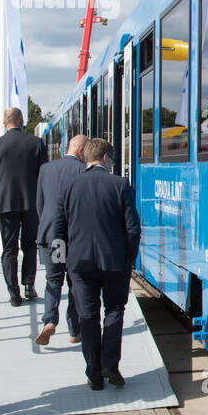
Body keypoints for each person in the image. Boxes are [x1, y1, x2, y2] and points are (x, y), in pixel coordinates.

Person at [55, 137, 140, 390]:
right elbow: (132, 229)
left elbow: (58, 228)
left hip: (79, 263)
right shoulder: (120, 184)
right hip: (114, 262)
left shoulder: (68, 185)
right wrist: (129, 258)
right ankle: (110, 364)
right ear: (106, 158)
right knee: (114, 311)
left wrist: (61, 261)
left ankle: (93, 374)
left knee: (87, 317)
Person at [0, 107, 48, 307]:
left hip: (5, 203)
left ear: (4, 123)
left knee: (9, 248)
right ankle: (29, 285)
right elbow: (44, 174)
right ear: (22, 121)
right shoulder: (36, 144)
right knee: (29, 245)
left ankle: (13, 293)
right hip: (31, 202)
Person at [34, 134, 88, 346]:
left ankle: (49, 321)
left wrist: (46, 228)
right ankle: (75, 330)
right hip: (73, 238)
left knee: (53, 280)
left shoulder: (46, 169)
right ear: (81, 151)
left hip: (52, 236)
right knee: (75, 282)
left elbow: (40, 203)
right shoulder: (82, 170)